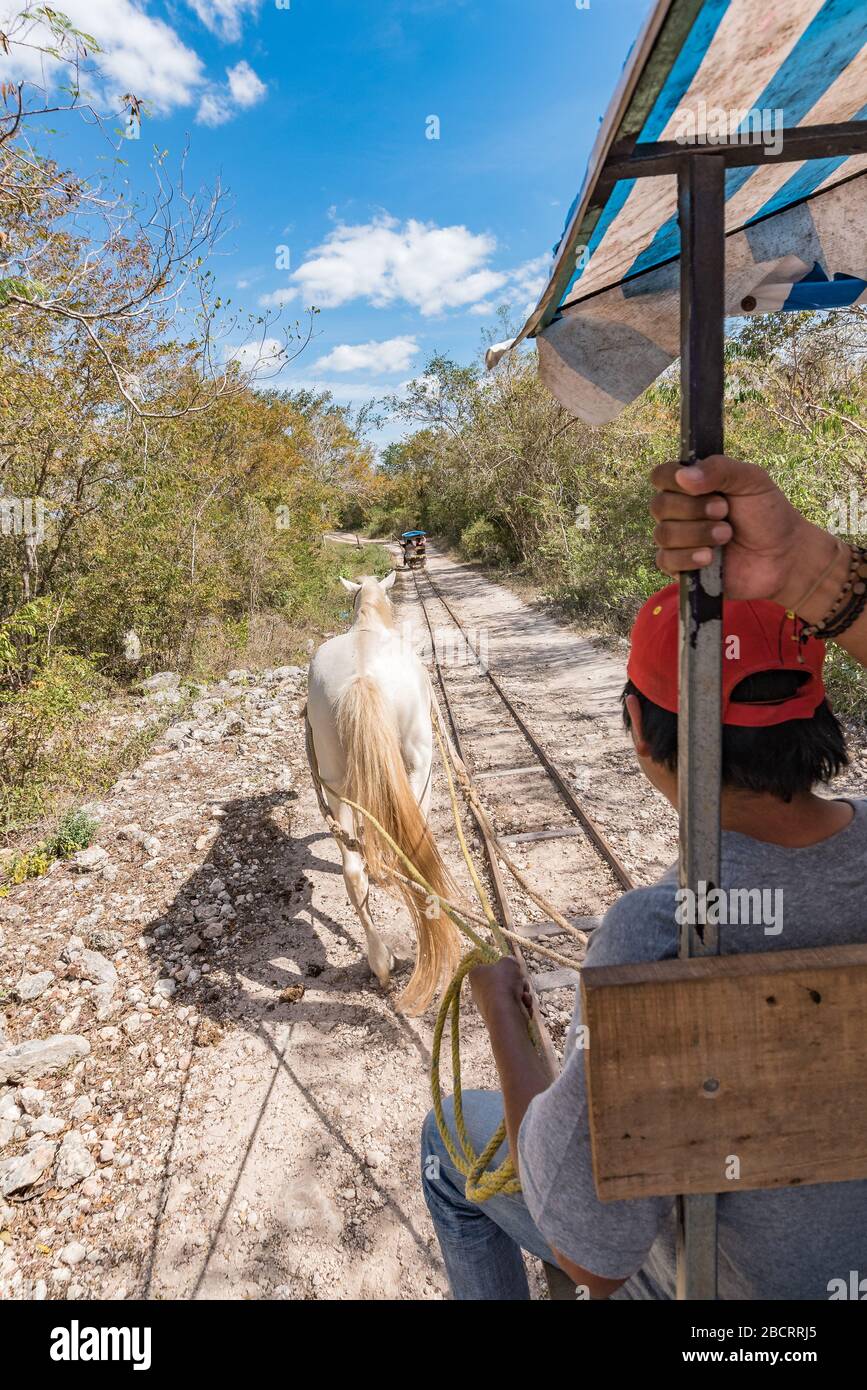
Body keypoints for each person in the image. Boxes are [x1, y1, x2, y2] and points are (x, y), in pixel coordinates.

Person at [421, 455, 867, 1300]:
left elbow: (592, 1254)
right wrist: (807, 567)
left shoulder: (657, 931)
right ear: (820, 714)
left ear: (637, 726)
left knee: (448, 1141)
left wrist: (506, 1020)